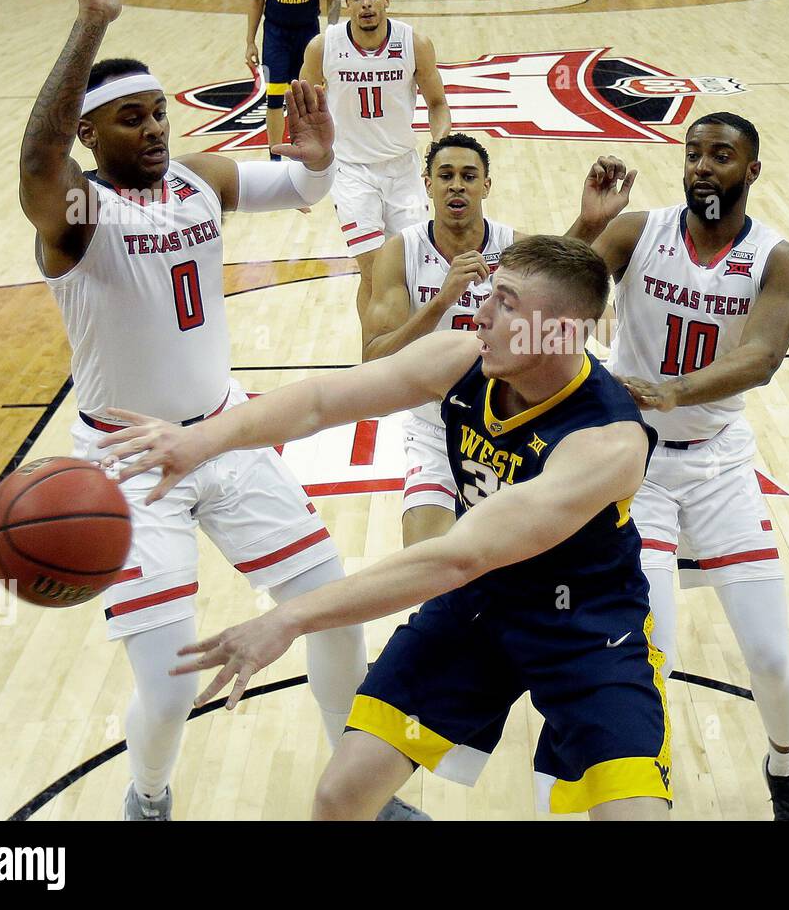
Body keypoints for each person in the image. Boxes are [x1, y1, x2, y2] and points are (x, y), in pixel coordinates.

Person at [16, 0, 406, 822]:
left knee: (335, 615)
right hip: (127, 467)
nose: (155, 128)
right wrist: (89, 26)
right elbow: (36, 167)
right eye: (131, 118)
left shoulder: (197, 179)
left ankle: (359, 798)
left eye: (160, 113)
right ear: (90, 133)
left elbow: (306, 192)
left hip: (225, 436)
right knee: (170, 686)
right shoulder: (79, 215)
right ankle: (147, 796)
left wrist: (317, 156)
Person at [101, 236, 674, 822]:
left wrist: (290, 616)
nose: (480, 311)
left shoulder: (608, 442)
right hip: (480, 611)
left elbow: (457, 557)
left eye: (506, 302)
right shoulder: (460, 358)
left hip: (585, 627)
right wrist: (198, 440)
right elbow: (323, 400)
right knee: (339, 797)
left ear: (560, 333)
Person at [573, 115, 789, 821]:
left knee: (769, 656)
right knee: (657, 653)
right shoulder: (636, 231)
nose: (703, 166)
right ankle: (646, 790)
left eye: (721, 155)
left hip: (719, 465)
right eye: (693, 154)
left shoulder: (780, 258)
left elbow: (763, 356)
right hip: (635, 466)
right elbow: (544, 288)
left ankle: (785, 762)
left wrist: (674, 389)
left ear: (752, 170)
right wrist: (587, 224)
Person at [361, 133, 521, 546]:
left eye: (469, 176)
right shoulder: (401, 251)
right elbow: (374, 358)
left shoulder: (514, 248)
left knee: (506, 570)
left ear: (486, 185)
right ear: (427, 184)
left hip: (501, 428)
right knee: (424, 561)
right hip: (433, 427)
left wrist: (591, 224)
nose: (457, 185)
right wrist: (441, 301)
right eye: (445, 175)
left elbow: (559, 304)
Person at [298, 0, 451, 337]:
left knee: (413, 267)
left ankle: (412, 350)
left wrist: (441, 148)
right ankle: (375, 355)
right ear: (345, 3)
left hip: (403, 168)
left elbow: (437, 103)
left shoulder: (414, 43)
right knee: (374, 269)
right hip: (350, 171)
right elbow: (301, 108)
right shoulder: (323, 46)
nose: (365, 4)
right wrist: (302, 174)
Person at [247, 0, 340, 162]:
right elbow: (256, 0)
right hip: (275, 35)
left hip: (308, 34)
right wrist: (250, 42)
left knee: (309, 98)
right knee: (275, 97)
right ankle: (275, 159)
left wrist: (331, 33)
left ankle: (314, 151)